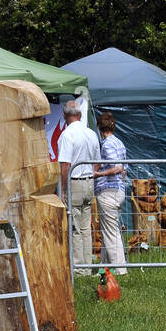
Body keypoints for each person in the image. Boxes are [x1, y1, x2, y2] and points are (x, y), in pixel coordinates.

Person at [58, 101, 101, 269]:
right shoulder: (91, 133)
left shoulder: (67, 135)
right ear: (80, 115)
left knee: (75, 228)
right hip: (89, 182)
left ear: (64, 116)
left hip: (74, 183)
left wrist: (62, 189)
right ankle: (87, 265)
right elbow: (97, 162)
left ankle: (79, 267)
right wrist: (91, 173)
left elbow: (65, 165)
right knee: (85, 227)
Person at [93, 111, 128, 277]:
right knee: (109, 230)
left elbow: (117, 167)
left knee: (111, 233)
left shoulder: (106, 144)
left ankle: (120, 270)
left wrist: (98, 174)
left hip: (108, 192)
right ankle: (104, 269)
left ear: (100, 127)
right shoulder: (120, 143)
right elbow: (124, 170)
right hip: (119, 191)